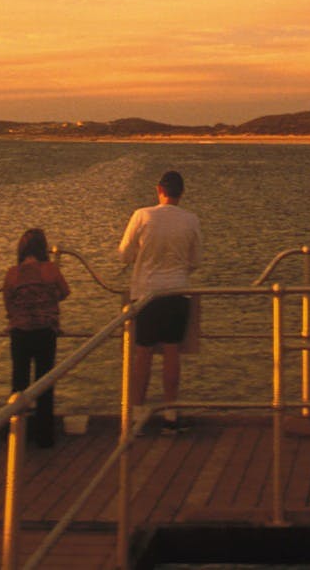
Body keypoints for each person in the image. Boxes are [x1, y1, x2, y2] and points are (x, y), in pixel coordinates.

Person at [118, 169, 201, 431]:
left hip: (146, 293)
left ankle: (137, 414)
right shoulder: (191, 219)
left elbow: (124, 253)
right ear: (181, 193)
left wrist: (140, 258)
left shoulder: (142, 215)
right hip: (177, 292)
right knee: (171, 351)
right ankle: (170, 415)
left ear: (159, 190)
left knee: (142, 353)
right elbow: (195, 260)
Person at [2, 228, 71, 448]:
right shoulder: (50, 270)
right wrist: (50, 301)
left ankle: (16, 431)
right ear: (43, 248)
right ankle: (44, 434)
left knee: (19, 383)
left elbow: (8, 302)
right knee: (44, 383)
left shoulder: (12, 273)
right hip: (45, 331)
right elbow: (65, 291)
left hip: (20, 333)